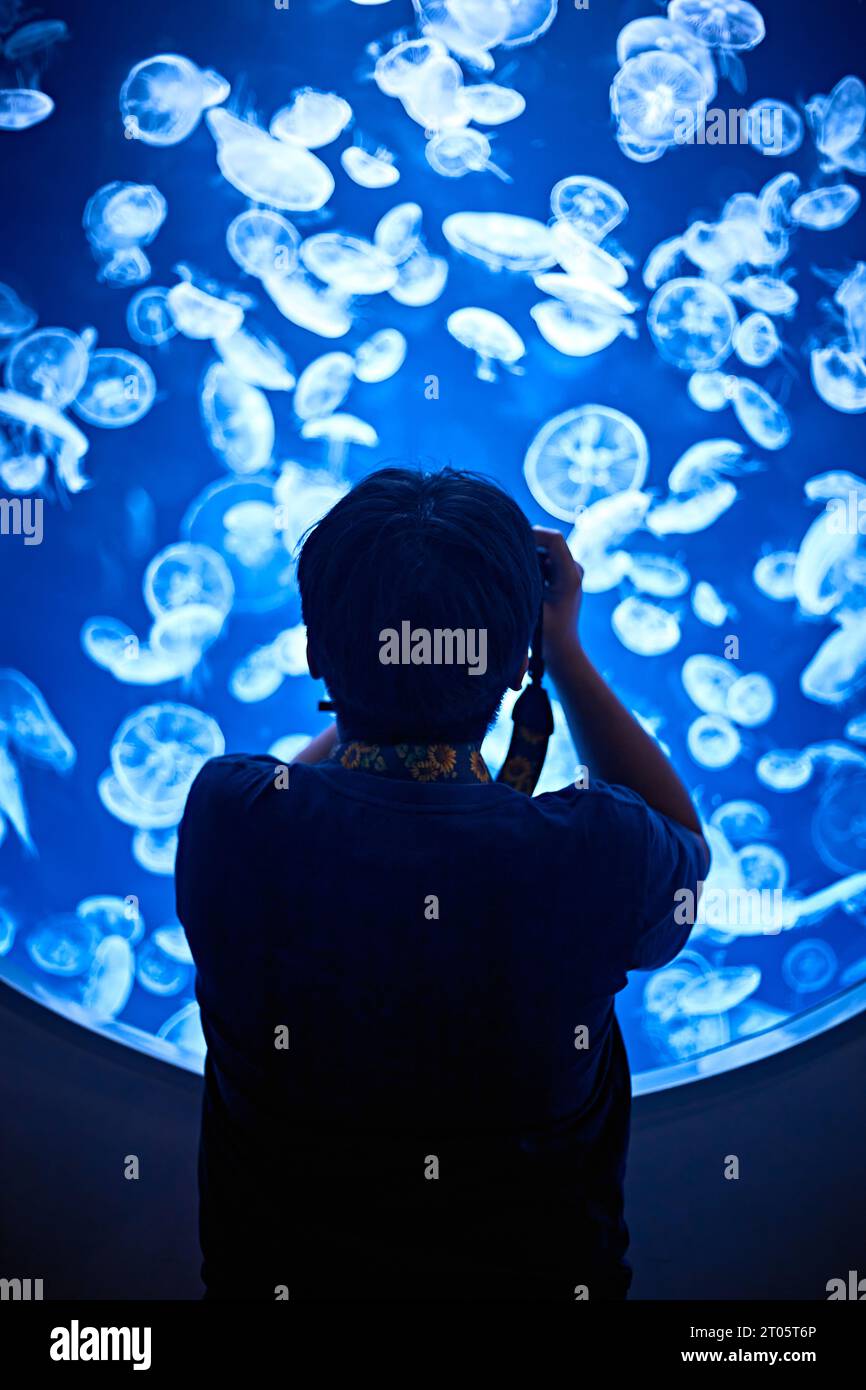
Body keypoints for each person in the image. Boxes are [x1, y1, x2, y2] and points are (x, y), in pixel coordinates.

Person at [176, 466, 709, 1302]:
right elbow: (686, 849)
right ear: (514, 663)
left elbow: (306, 793)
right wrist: (560, 654)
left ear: (313, 651)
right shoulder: (600, 849)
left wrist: (374, 686)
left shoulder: (227, 815)